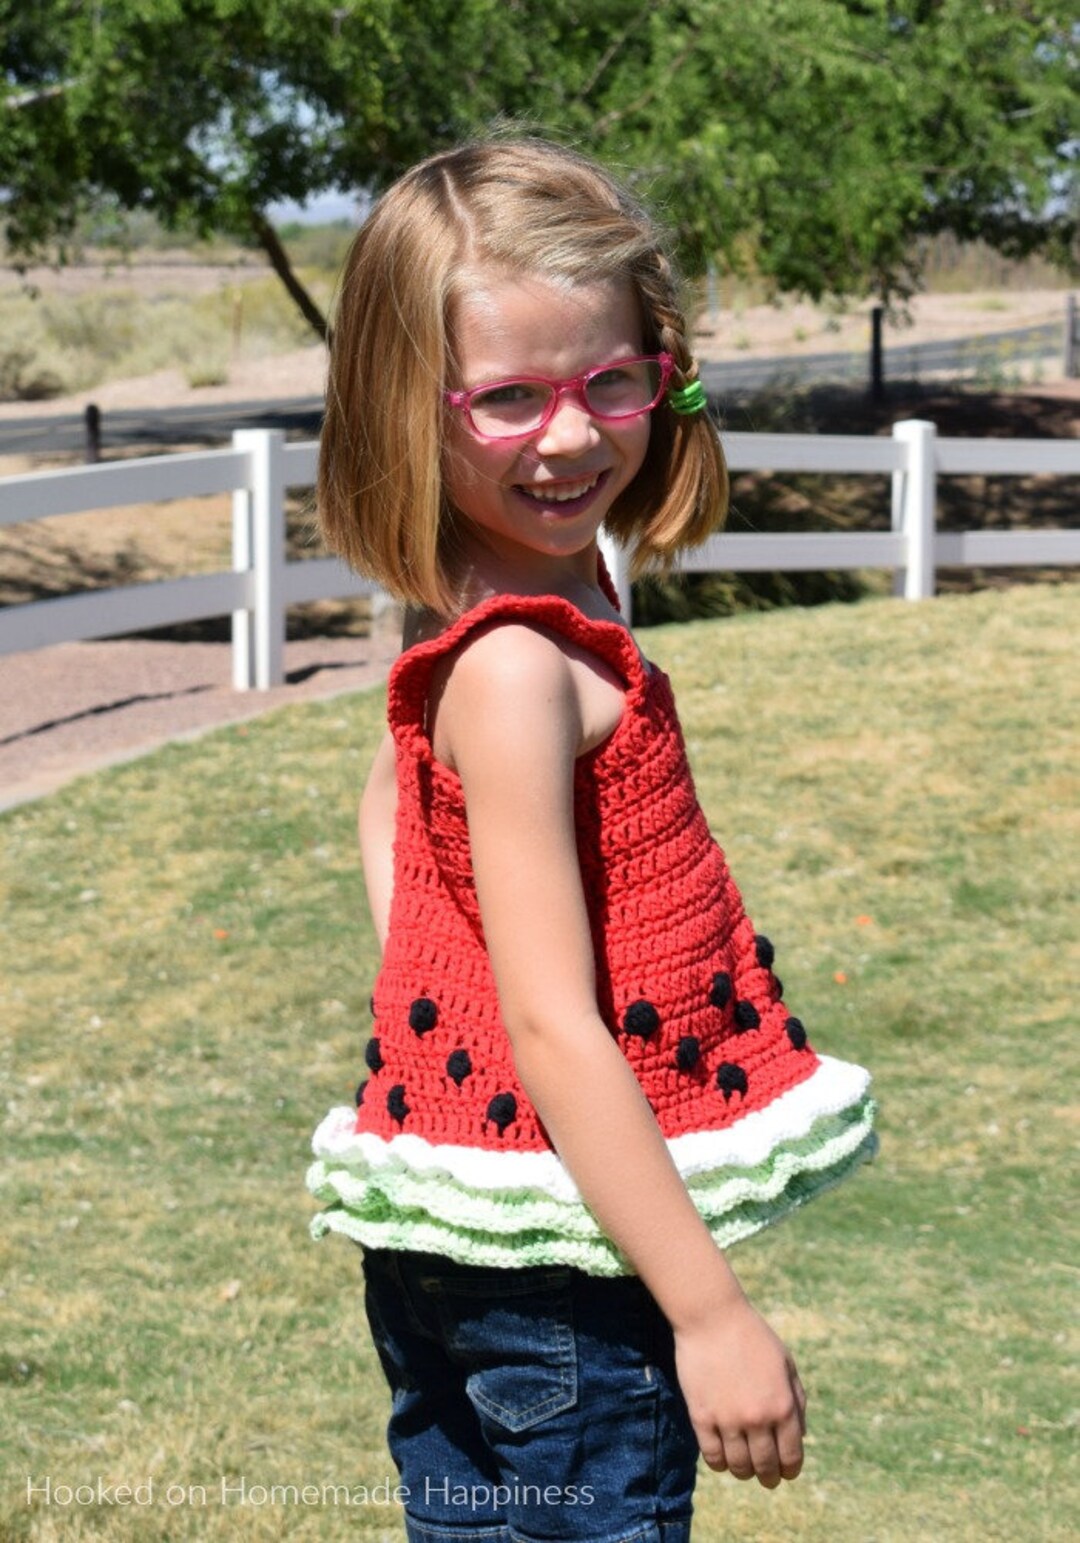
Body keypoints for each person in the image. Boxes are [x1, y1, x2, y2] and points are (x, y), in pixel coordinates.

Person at [307, 137, 876, 1543]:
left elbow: (389, 813)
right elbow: (556, 1029)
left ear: (662, 368)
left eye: (608, 381)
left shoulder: (478, 598)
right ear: (406, 408)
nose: (568, 437)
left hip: (465, 1239)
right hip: (568, 1286)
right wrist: (712, 1314)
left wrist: (461, 1029)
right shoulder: (516, 664)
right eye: (506, 397)